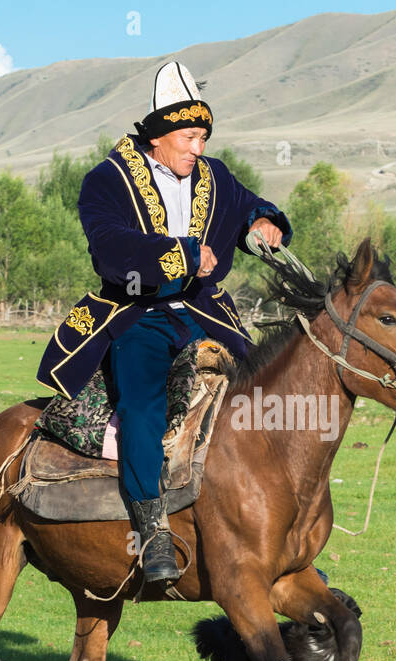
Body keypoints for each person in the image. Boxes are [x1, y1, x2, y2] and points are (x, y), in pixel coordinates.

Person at [36, 60, 291, 586]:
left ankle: (277, 531)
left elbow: (249, 208)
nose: (199, 148)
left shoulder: (214, 176)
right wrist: (183, 255)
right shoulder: (106, 180)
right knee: (143, 405)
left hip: (203, 312)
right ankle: (152, 529)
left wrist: (264, 223)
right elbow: (110, 248)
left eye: (203, 138)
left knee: (264, 395)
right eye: (190, 138)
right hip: (137, 312)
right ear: (158, 136)